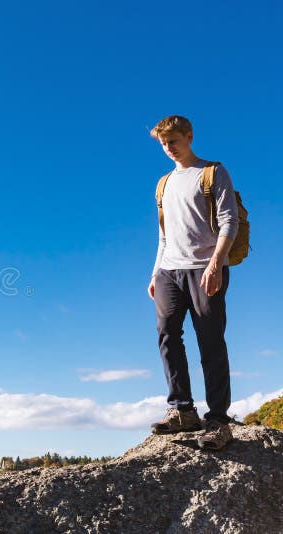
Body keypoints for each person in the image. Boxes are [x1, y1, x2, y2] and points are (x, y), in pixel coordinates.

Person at [146, 115, 239, 450]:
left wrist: (216, 263)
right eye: (163, 143)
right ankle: (182, 410)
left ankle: (218, 419)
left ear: (189, 136)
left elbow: (230, 221)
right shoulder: (163, 184)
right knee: (167, 332)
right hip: (169, 270)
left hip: (206, 268)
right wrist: (155, 272)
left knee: (210, 341)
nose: (169, 148)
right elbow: (164, 235)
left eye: (174, 141)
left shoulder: (212, 172)